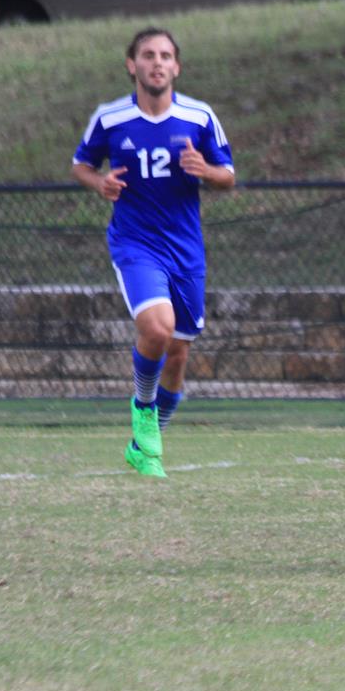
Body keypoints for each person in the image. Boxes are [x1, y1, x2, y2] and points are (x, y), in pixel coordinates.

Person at [73, 28, 235, 479]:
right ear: (132, 65)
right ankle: (143, 411)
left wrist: (207, 171)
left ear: (176, 67)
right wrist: (98, 183)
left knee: (179, 352)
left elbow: (229, 177)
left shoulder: (199, 117)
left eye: (165, 56)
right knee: (157, 330)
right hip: (135, 243)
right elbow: (81, 164)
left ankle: (145, 447)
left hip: (185, 248)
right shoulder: (110, 119)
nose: (157, 63)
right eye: (148, 55)